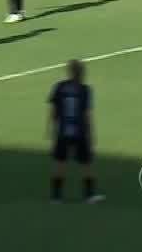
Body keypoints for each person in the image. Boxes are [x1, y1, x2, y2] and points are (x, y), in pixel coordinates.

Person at [48, 59, 103, 204]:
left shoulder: (59, 87)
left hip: (63, 131)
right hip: (80, 132)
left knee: (60, 163)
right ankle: (89, 195)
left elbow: (53, 110)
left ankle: (56, 196)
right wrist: (91, 133)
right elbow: (87, 114)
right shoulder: (85, 89)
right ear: (82, 73)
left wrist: (52, 128)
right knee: (86, 164)